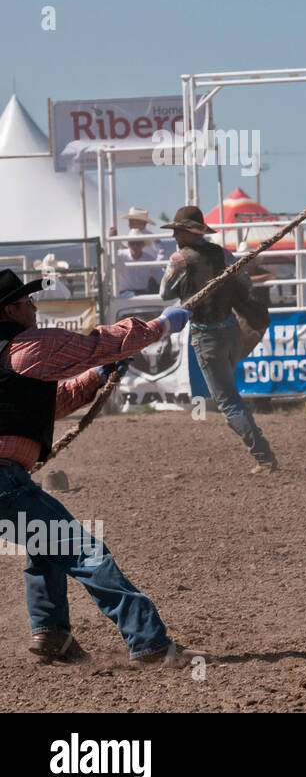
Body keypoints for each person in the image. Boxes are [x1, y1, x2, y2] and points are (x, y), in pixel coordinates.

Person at [0, 269, 203, 666]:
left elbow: (45, 407)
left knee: (45, 543)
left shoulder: (8, 357)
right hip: (5, 480)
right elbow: (100, 343)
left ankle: (52, 634)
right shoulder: (28, 346)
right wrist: (161, 325)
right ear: (9, 309)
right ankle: (151, 644)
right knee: (84, 550)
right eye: (27, 302)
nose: (34, 306)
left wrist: (96, 376)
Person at [160, 206, 277, 474]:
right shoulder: (223, 254)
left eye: (179, 230)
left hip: (206, 334)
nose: (175, 235)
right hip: (231, 331)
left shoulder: (179, 259)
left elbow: (165, 292)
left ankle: (264, 456)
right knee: (230, 395)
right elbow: (245, 283)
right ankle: (261, 448)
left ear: (189, 233)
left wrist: (187, 282)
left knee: (227, 402)